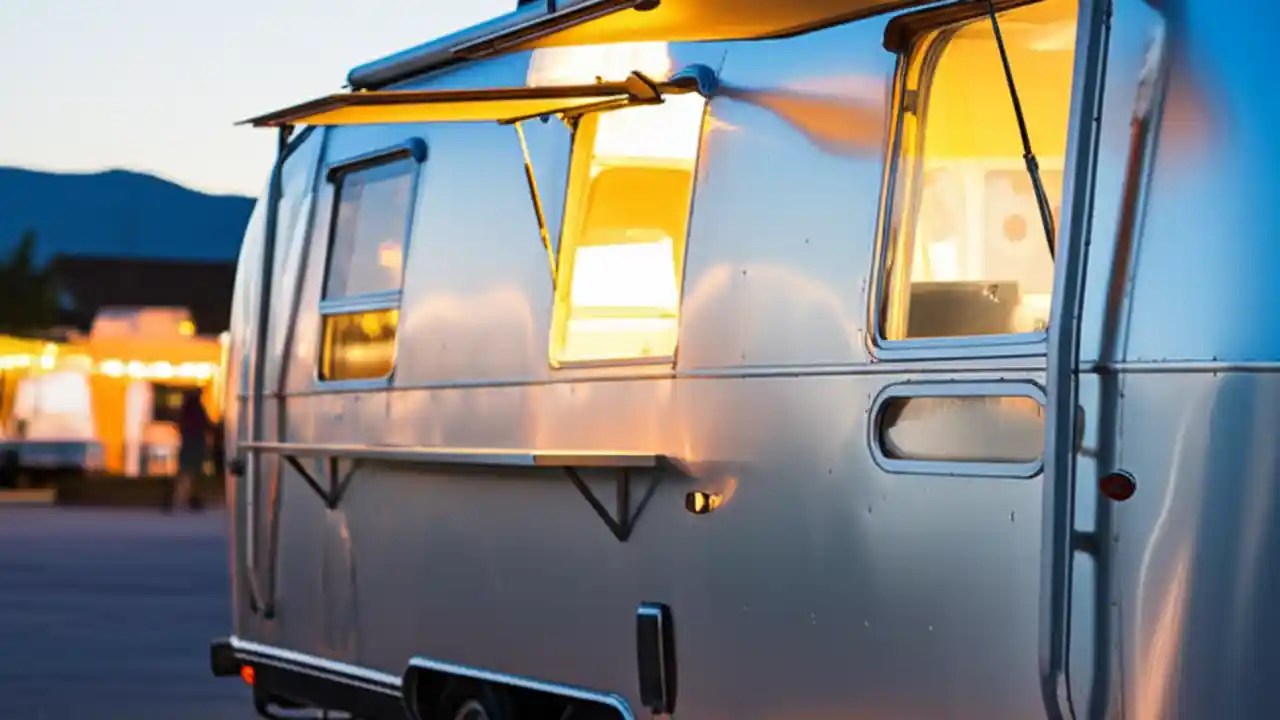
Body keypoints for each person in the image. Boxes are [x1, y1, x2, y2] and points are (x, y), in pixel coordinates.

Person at [173, 390, 212, 512]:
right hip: (195, 445)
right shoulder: (197, 410)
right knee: (192, 473)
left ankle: (183, 498)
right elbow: (207, 425)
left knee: (186, 473)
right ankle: (185, 499)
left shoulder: (185, 412)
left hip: (188, 445)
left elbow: (180, 426)